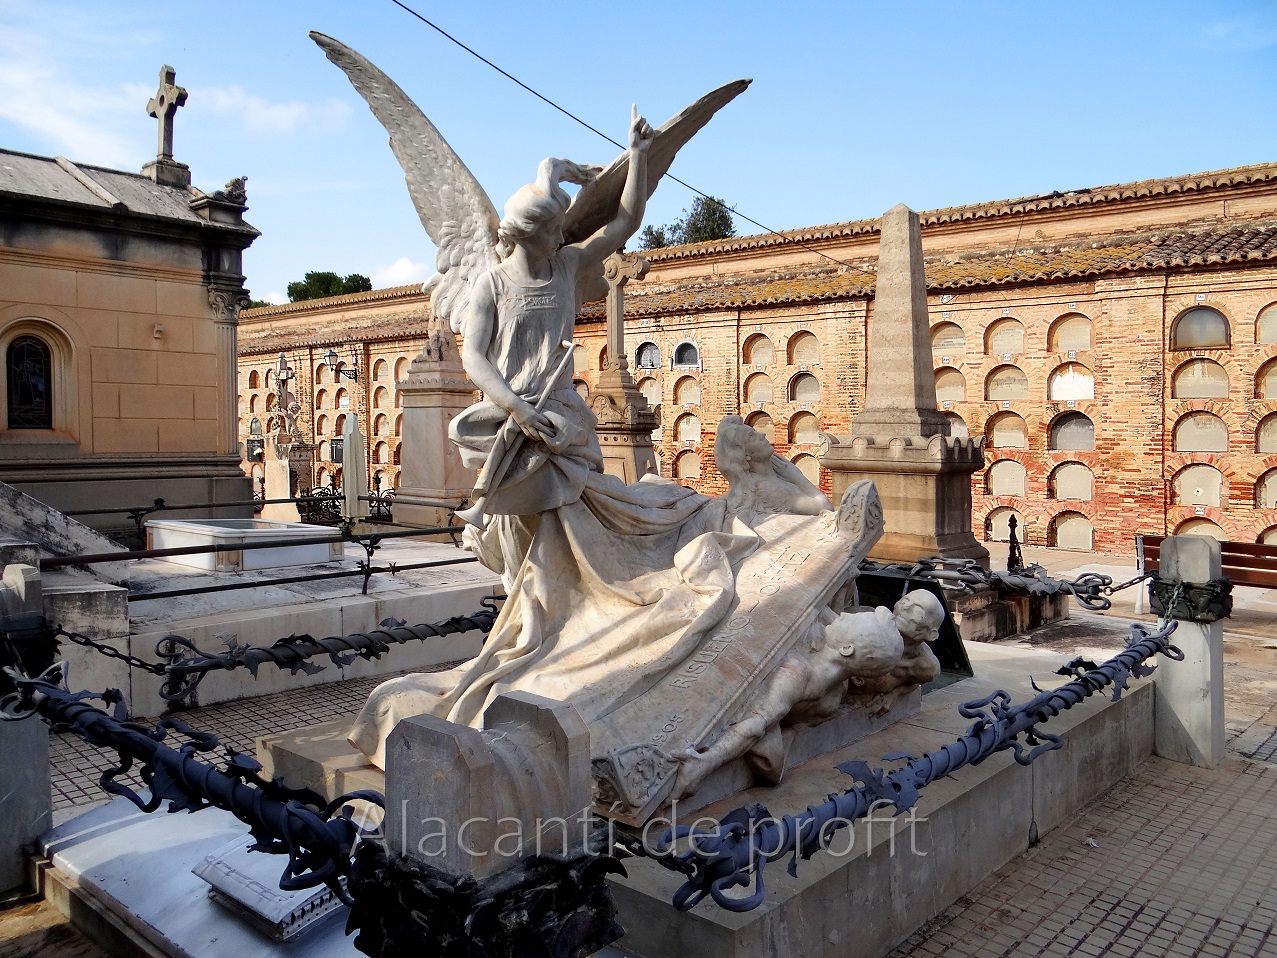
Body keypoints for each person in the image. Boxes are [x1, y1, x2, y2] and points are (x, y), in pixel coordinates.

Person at [672, 590, 946, 797]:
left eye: (850, 619)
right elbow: (826, 609)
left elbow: (755, 724)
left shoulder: (797, 674)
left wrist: (704, 763)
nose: (844, 615)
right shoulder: (837, 691)